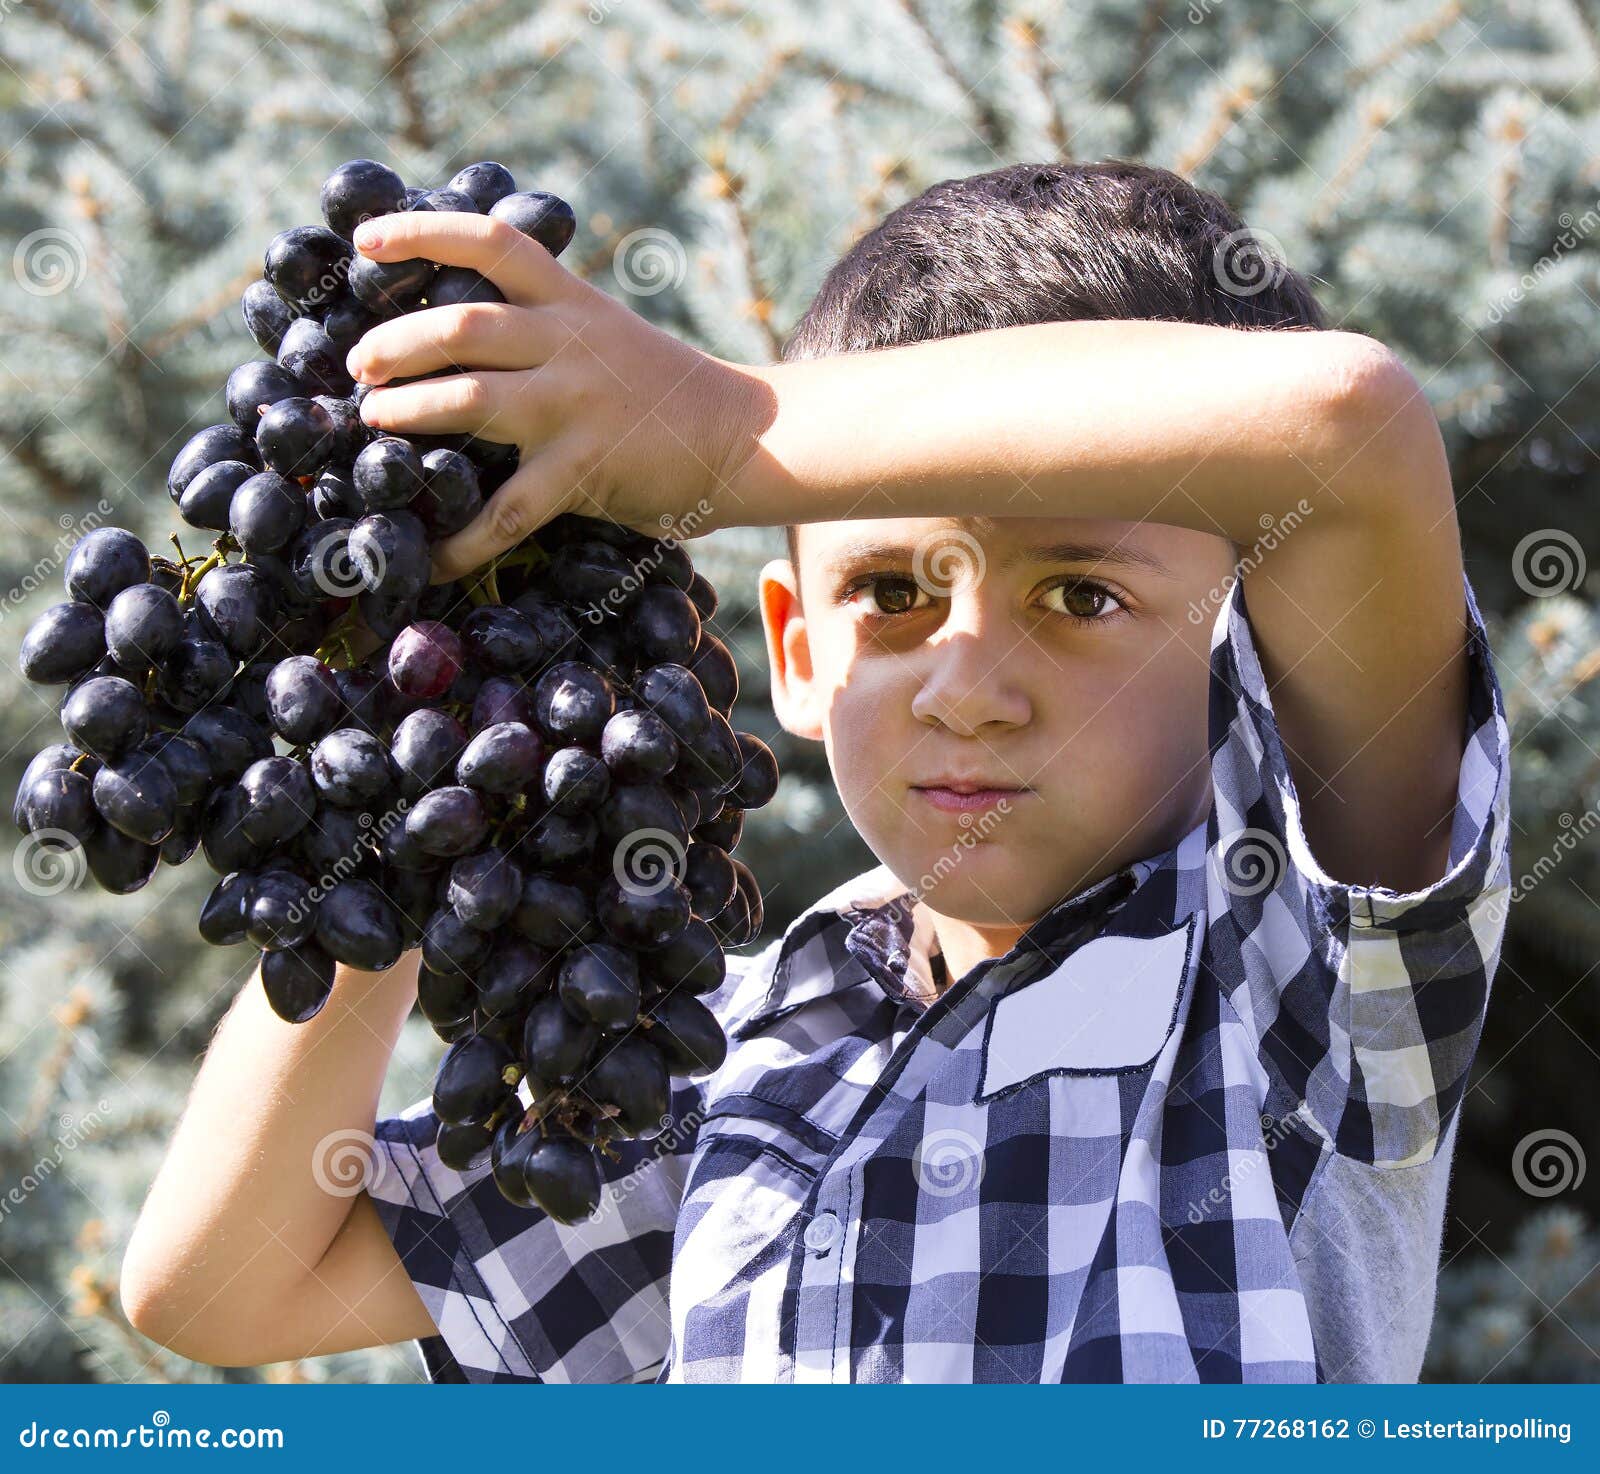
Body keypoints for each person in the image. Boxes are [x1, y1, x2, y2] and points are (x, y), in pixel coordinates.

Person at [120, 160, 1512, 1383]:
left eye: (1082, 596)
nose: (967, 685)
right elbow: (225, 1281)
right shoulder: (733, 1066)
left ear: (1266, 633)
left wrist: (729, 434)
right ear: (790, 652)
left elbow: (1349, 423)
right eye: (892, 591)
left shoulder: (1298, 992)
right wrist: (406, 804)